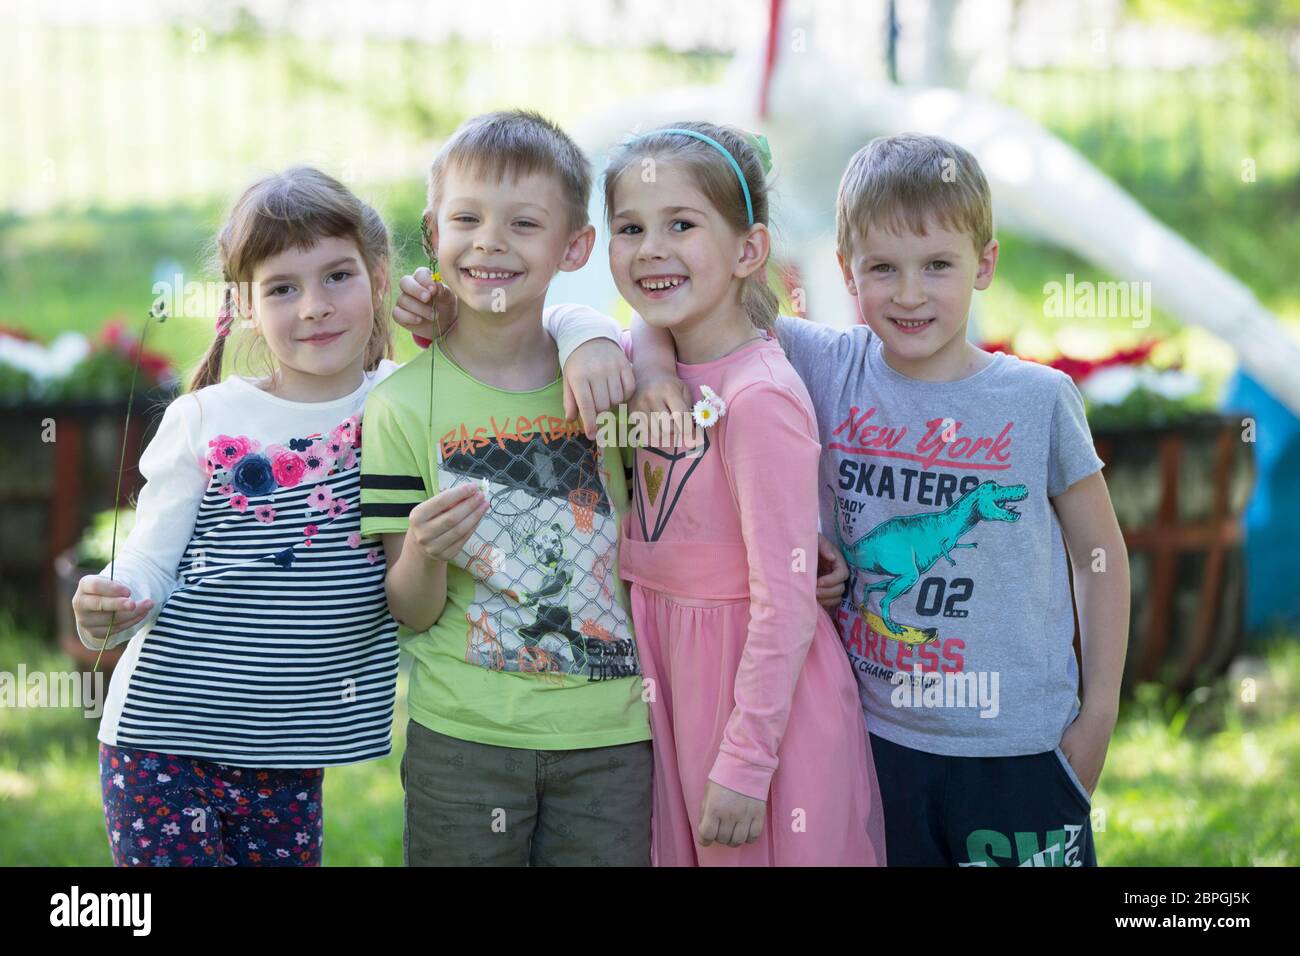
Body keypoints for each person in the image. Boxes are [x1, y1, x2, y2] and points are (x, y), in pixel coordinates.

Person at [631, 132, 1130, 867]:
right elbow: (681, 301)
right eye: (882, 269)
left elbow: (1101, 558)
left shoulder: (1037, 401)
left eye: (937, 266)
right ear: (845, 271)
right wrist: (647, 366)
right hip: (878, 742)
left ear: (984, 264)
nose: (908, 293)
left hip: (1020, 749)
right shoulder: (826, 363)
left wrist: (1097, 721)